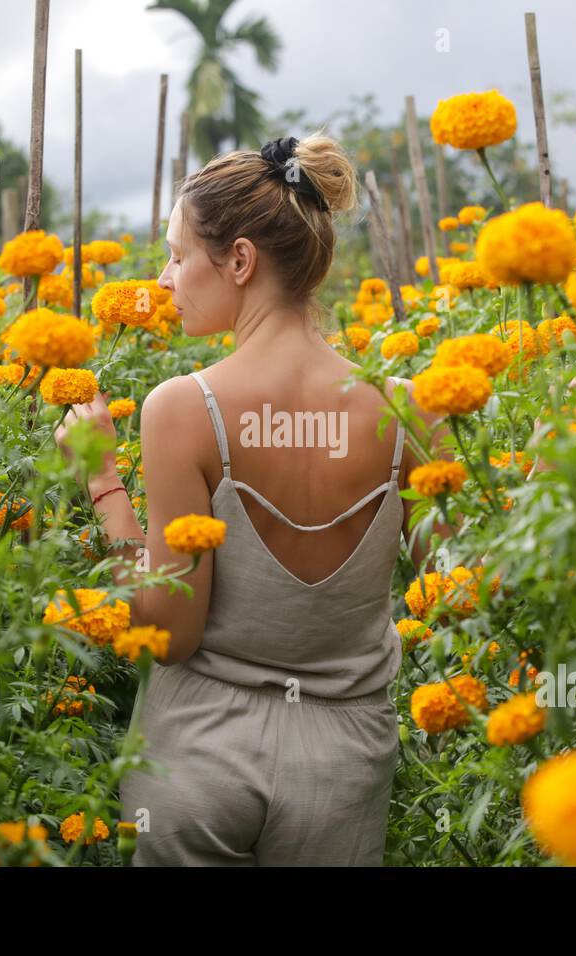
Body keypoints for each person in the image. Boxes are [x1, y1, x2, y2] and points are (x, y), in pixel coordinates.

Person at [54, 131, 455, 866]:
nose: (166, 278)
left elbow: (169, 630)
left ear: (240, 261)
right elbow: (451, 591)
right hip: (343, 769)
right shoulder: (409, 412)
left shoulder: (184, 408)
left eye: (177, 256)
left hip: (196, 759)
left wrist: (103, 481)